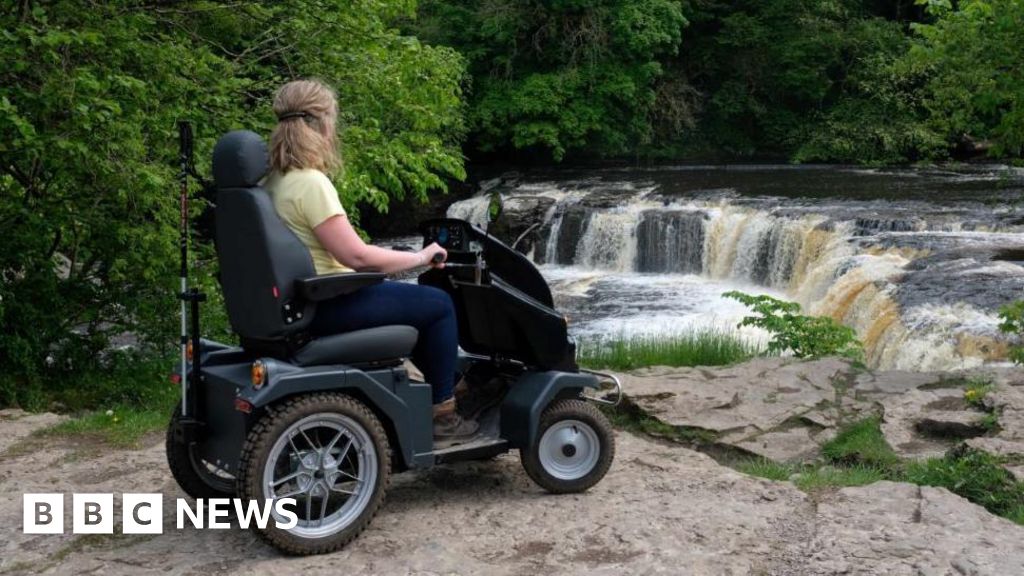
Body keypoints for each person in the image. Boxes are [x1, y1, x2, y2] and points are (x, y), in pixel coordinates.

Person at [264, 79, 477, 439]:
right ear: (321, 124)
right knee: (437, 304)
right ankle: (443, 411)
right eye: (334, 119)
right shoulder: (310, 183)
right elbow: (358, 257)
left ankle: (449, 382)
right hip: (329, 305)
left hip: (302, 303)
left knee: (413, 303)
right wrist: (422, 256)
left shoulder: (273, 181)